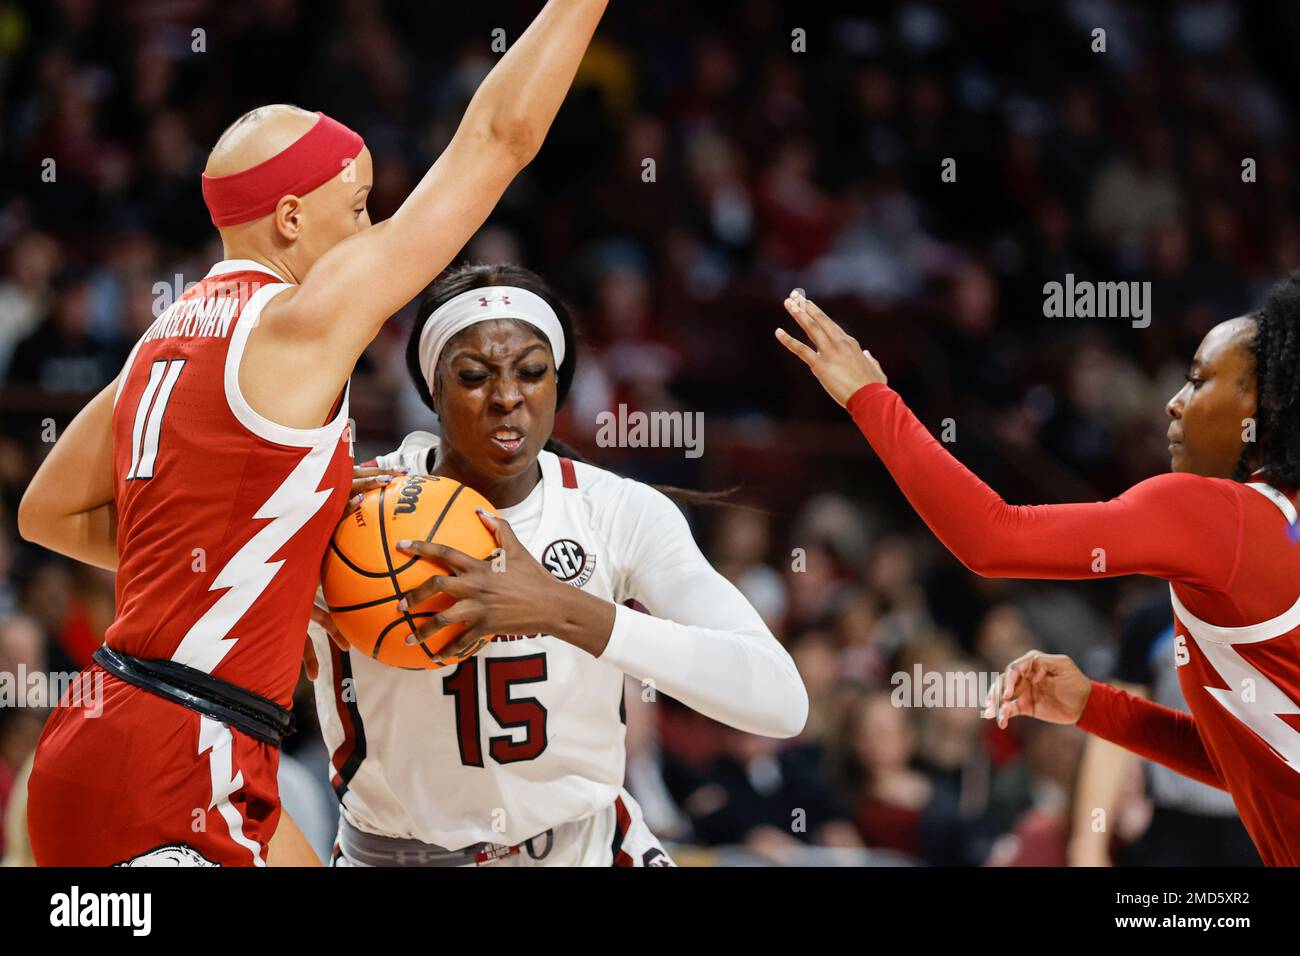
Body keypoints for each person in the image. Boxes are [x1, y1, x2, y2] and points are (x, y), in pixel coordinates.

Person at [18, 0, 610, 867]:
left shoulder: (165, 334)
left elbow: (47, 513)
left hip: (109, 729)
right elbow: (499, 141)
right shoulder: (296, 323)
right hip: (185, 751)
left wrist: (259, 573)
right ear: (291, 220)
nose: (372, 232)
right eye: (362, 205)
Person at [776, 279, 1300, 866]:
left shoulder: (1219, 517)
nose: (1173, 401)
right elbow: (1256, 761)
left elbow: (991, 537)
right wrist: (1093, 705)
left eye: (1199, 380)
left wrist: (870, 399)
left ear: (1269, 404)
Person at [306, 263, 808, 867]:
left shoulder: (616, 510)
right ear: (430, 390)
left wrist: (564, 610)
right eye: (473, 376)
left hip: (584, 848)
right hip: (399, 855)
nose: (508, 397)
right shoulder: (345, 512)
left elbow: (781, 702)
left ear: (558, 384)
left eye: (532, 372)